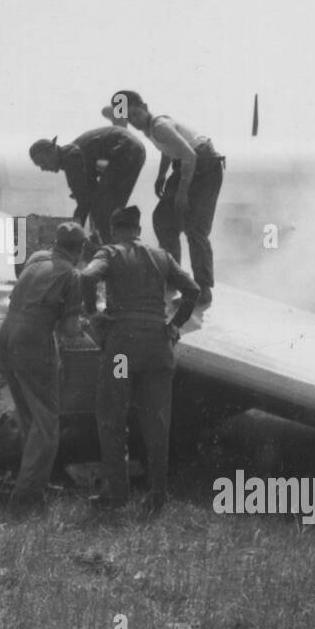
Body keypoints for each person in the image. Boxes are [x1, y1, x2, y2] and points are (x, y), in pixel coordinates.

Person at [80, 205, 199, 515]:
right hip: (159, 349)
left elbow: (87, 276)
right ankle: (158, 495)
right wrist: (174, 325)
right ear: (138, 229)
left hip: (123, 351)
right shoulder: (161, 256)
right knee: (158, 422)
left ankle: (117, 494)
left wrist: (93, 314)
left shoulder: (110, 252)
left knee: (112, 416)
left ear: (114, 230)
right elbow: (193, 289)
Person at [0, 221, 88, 513]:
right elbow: (70, 329)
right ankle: (27, 496)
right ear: (81, 248)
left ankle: (29, 481)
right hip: (33, 343)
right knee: (47, 425)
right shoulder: (71, 275)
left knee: (29, 420)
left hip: (5, 339)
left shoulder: (35, 258)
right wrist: (89, 324)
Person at [119, 89, 224, 307]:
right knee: (163, 220)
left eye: (137, 114)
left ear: (145, 108)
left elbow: (190, 155)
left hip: (205, 167)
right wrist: (161, 175)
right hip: (187, 165)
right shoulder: (150, 128)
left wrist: (182, 192)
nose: (135, 121)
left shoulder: (158, 126)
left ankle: (202, 291)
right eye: (130, 118)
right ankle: (174, 279)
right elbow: (169, 149)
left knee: (196, 229)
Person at [29, 126, 146, 245]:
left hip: (127, 151)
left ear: (52, 151)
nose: (43, 168)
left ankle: (109, 250)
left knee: (103, 210)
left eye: (42, 163)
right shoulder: (72, 153)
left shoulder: (71, 158)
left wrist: (70, 234)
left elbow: (84, 203)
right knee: (101, 208)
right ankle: (106, 245)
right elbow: (90, 193)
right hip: (129, 149)